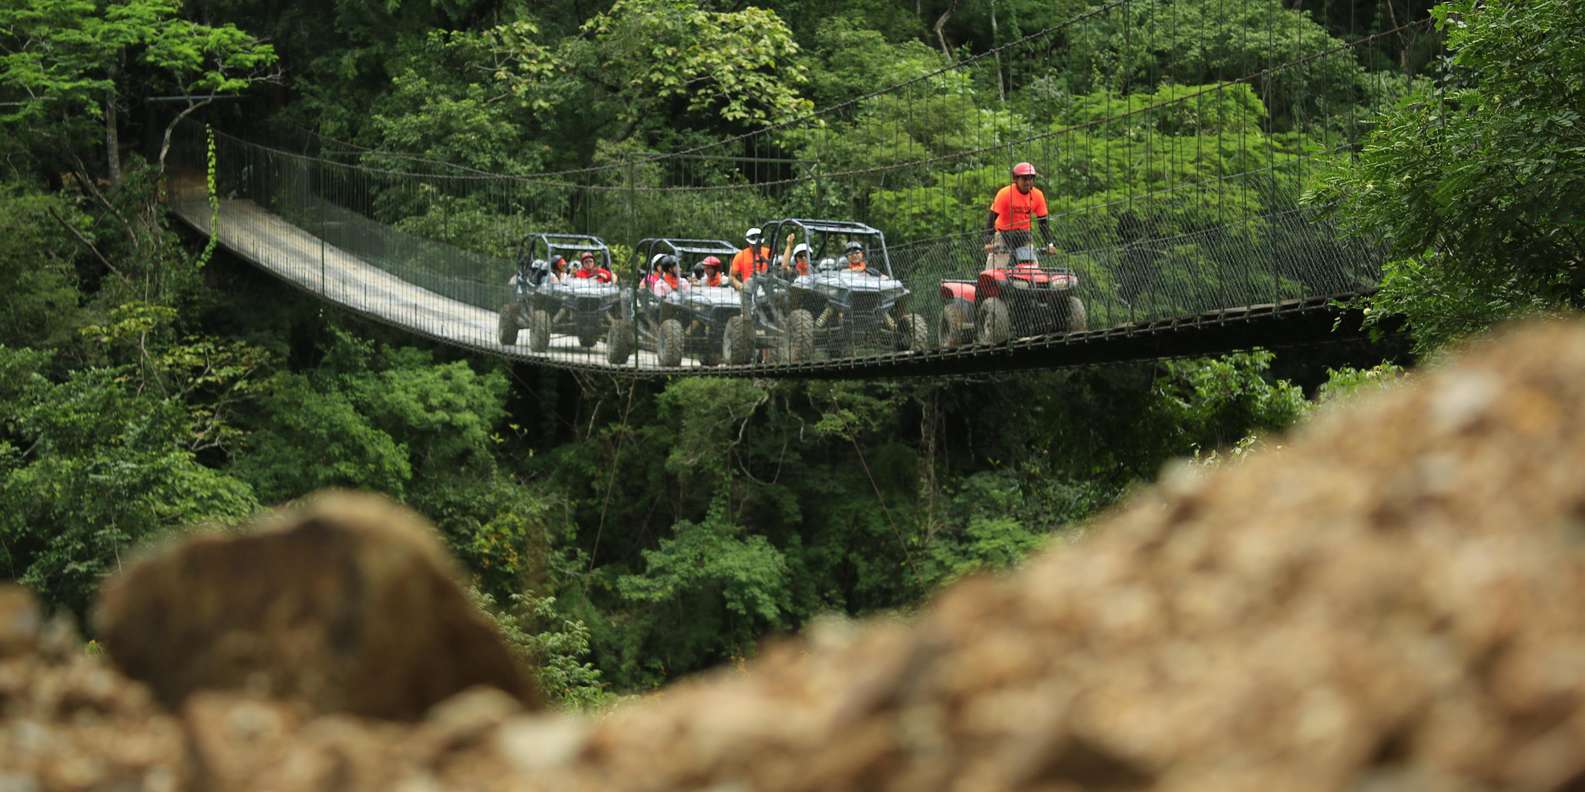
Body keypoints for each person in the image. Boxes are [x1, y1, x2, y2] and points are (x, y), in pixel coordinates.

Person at [985, 161, 1058, 262]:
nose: (1028, 182)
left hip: (1023, 235)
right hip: (1003, 234)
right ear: (1015, 179)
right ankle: (991, 275)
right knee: (995, 267)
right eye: (1024, 178)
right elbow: (991, 219)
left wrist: (1049, 244)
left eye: (1031, 178)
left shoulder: (1038, 195)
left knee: (1030, 268)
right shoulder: (1005, 194)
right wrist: (988, 242)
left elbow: (1043, 223)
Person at [732, 227, 772, 314]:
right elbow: (732, 276)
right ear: (748, 243)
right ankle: (746, 318)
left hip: (767, 285)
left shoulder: (769, 253)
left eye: (758, 245)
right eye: (753, 245)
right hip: (749, 289)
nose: (756, 247)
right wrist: (740, 286)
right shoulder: (740, 256)